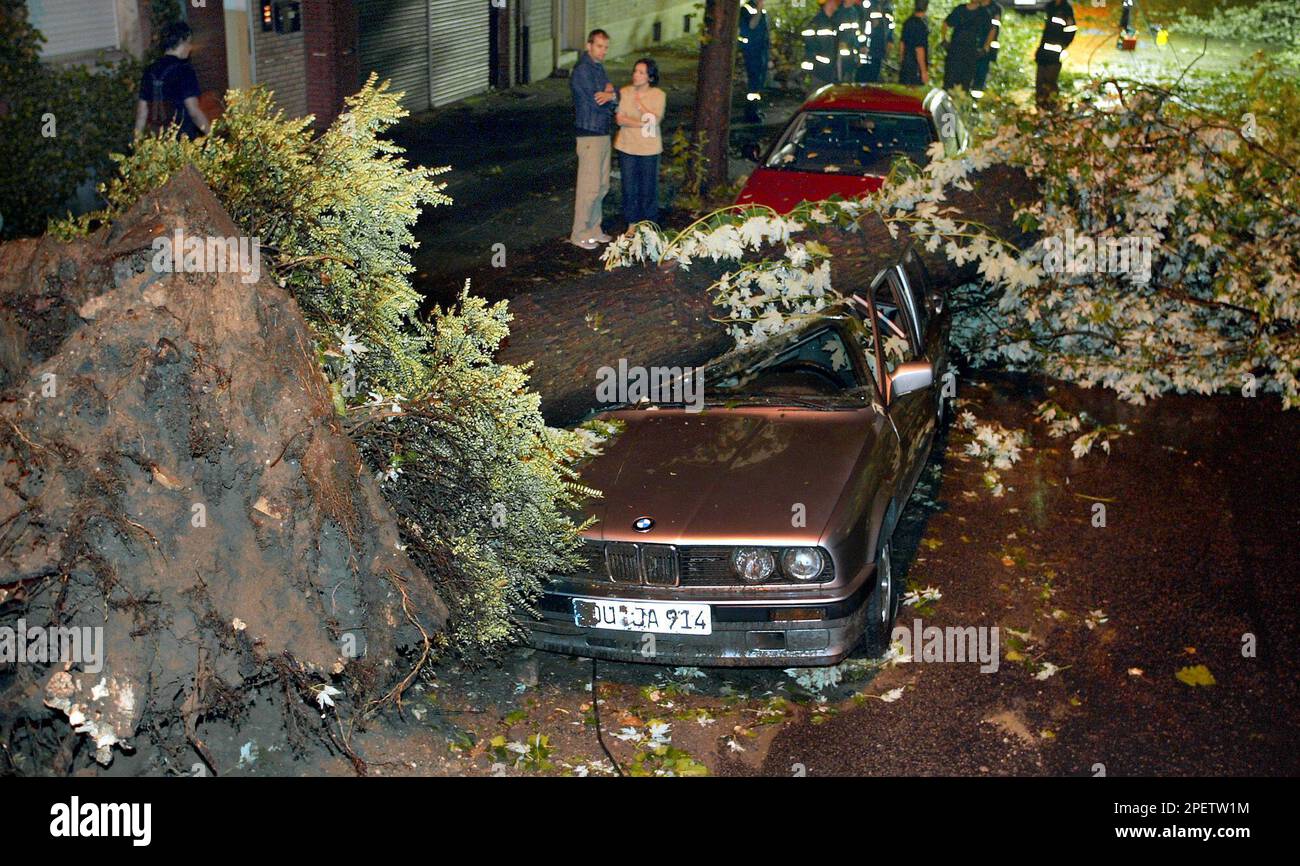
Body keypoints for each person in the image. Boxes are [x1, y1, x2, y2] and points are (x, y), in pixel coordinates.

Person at [570, 29, 618, 250]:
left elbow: (609, 94)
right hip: (589, 134)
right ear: (589, 45)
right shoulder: (582, 71)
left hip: (602, 132)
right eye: (599, 46)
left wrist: (610, 94)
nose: (603, 51)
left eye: (606, 47)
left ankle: (594, 228)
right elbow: (596, 101)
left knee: (601, 185)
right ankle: (579, 233)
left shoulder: (598, 68)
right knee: (588, 188)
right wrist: (610, 96)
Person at [613, 59, 667, 228]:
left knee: (648, 188)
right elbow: (620, 119)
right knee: (629, 187)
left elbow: (655, 119)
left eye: (641, 72)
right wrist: (643, 123)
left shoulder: (658, 95)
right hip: (627, 146)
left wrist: (640, 106)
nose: (636, 75)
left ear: (650, 77)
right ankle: (632, 223)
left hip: (649, 149)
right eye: (635, 71)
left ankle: (650, 224)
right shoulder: (625, 92)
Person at [134, 22, 209, 139]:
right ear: (181, 41)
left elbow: (142, 112)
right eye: (189, 43)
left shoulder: (149, 71)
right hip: (183, 138)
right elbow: (193, 110)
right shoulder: (184, 70)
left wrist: (137, 141)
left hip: (158, 139)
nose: (190, 48)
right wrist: (211, 136)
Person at [1035, 0, 1077, 109]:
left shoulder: (1066, 9)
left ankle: (1051, 106)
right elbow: (1047, 30)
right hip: (1044, 51)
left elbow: (1071, 29)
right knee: (1040, 81)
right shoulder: (1050, 6)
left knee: (1050, 81)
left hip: (1055, 53)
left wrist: (1063, 45)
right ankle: (1040, 106)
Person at [941, 1, 984, 95]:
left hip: (970, 51)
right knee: (949, 79)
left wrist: (985, 47)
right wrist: (944, 40)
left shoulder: (983, 13)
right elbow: (946, 23)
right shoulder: (960, 9)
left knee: (965, 81)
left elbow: (991, 29)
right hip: (955, 49)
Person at [738, 1, 770, 122]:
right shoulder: (746, 9)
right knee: (754, 82)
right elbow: (751, 25)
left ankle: (756, 108)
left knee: (759, 82)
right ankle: (750, 113)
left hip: (761, 50)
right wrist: (759, 9)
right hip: (752, 51)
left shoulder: (759, 8)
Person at [802, 0, 842, 87]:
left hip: (830, 72)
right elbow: (810, 50)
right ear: (829, 2)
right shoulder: (815, 23)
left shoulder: (832, 23)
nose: (837, 4)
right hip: (818, 73)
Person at [971, 0, 1001, 100]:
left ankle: (975, 100)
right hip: (972, 46)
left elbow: (994, 29)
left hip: (986, 49)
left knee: (981, 73)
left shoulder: (995, 9)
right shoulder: (976, 6)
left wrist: (986, 47)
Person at [862, 0, 896, 83]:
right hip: (869, 46)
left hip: (881, 48)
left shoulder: (889, 7)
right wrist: (863, 44)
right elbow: (863, 23)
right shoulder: (870, 4)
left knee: (876, 73)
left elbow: (890, 26)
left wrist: (890, 40)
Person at [833, 0, 867, 83]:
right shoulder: (838, 11)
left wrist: (861, 50)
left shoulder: (856, 11)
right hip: (839, 56)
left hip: (853, 54)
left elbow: (859, 33)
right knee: (839, 81)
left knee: (850, 81)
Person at [898, 0, 930, 86]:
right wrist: (923, 71)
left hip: (906, 64)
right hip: (915, 68)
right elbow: (919, 49)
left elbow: (902, 43)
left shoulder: (908, 22)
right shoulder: (921, 26)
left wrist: (901, 59)